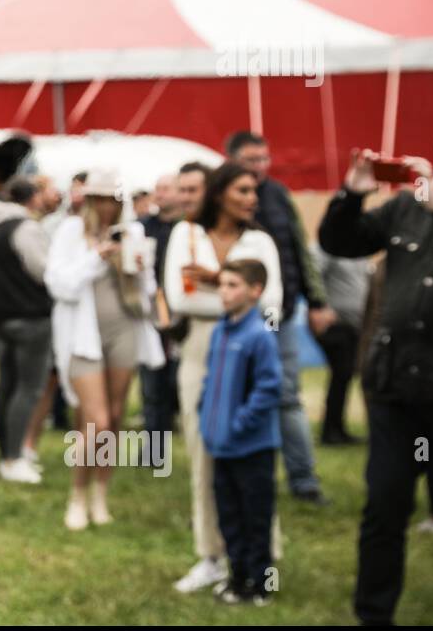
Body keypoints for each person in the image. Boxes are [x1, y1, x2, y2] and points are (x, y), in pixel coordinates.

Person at [318, 111, 433, 626]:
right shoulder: (406, 206)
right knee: (383, 509)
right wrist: (352, 194)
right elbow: (340, 241)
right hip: (395, 387)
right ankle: (373, 623)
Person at [164, 161, 281, 593]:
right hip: (199, 353)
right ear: (220, 194)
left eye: (254, 191)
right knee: (204, 456)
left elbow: (274, 306)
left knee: (252, 466)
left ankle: (260, 560)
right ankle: (212, 555)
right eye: (243, 190)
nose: (253, 198)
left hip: (249, 356)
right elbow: (179, 297)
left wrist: (213, 284)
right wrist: (239, 294)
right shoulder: (186, 235)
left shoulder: (261, 241)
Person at [46, 168, 163, 528]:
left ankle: (101, 494)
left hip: (123, 327)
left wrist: (139, 266)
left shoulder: (135, 231)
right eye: (101, 199)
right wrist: (97, 257)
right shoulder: (69, 231)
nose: (108, 207)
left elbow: (147, 289)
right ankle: (77, 494)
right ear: (90, 200)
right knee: (95, 421)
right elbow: (59, 284)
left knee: (113, 419)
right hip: (83, 334)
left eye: (113, 199)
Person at [227, 130, 328, 505]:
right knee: (237, 395)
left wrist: (316, 301)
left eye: (264, 159)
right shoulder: (220, 200)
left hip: (278, 316)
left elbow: (301, 251)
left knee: (286, 395)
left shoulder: (279, 195)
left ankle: (303, 480)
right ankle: (243, 481)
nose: (259, 168)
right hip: (237, 321)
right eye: (251, 160)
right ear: (232, 160)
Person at [200, 259, 282, 606]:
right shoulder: (220, 330)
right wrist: (207, 419)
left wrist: (240, 424)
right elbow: (210, 381)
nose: (224, 291)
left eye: (233, 285)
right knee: (229, 516)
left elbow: (270, 386)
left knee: (255, 518)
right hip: (221, 446)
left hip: (252, 448)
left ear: (255, 290)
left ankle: (262, 583)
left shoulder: (260, 335)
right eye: (221, 284)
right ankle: (237, 577)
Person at [0, 177, 53, 483]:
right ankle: (13, 458)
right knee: (28, 388)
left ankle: (6, 455)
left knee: (7, 387)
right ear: (31, 198)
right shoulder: (25, 227)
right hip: (29, 317)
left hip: (0, 317)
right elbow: (43, 270)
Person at [138, 172, 186, 441]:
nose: (160, 193)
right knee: (152, 384)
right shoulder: (141, 227)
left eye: (166, 188)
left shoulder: (191, 228)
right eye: (157, 187)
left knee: (177, 381)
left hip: (183, 312)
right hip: (150, 313)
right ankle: (154, 452)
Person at [310, 243, 371, 444]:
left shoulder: (358, 249)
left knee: (345, 375)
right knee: (342, 372)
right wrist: (319, 306)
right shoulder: (327, 246)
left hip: (356, 326)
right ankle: (331, 431)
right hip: (335, 324)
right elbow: (312, 273)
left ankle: (337, 429)